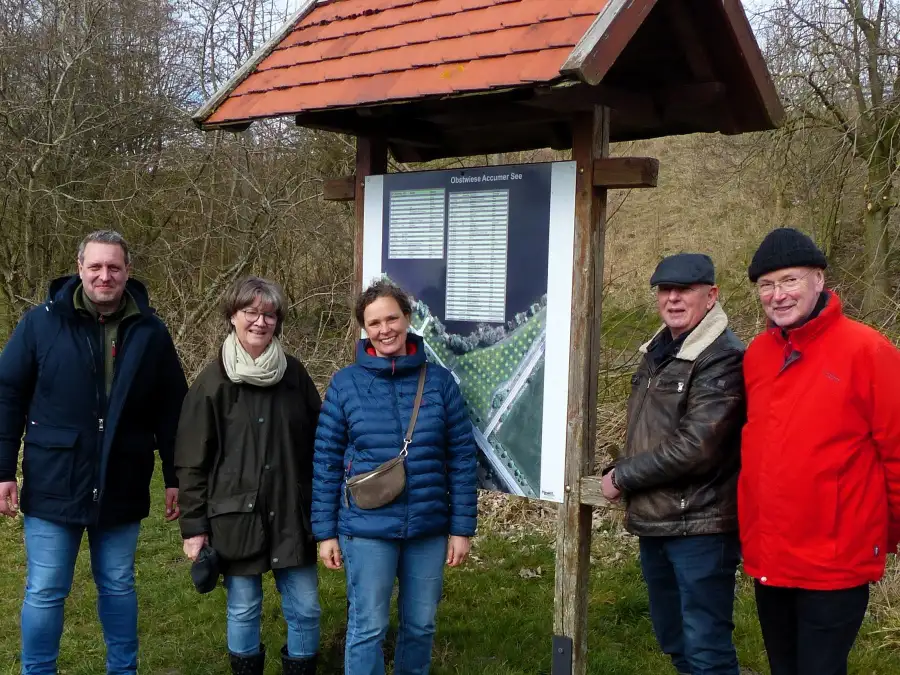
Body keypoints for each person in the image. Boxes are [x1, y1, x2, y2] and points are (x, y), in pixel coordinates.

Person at [0, 230, 187, 675]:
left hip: (123, 478)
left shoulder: (151, 332)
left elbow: (172, 409)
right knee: (46, 588)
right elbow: (7, 395)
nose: (105, 275)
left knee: (118, 584)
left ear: (128, 271)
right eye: (96, 266)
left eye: (114, 267)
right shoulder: (40, 324)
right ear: (80, 268)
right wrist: (3, 469)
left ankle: (123, 670)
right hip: (54, 478)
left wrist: (176, 477)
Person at [739, 227, 900, 675]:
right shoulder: (757, 355)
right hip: (772, 557)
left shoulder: (868, 350)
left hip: (835, 559)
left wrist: (887, 534)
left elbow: (896, 452)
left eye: (789, 280)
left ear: (818, 280)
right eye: (766, 285)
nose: (778, 295)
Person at [312, 279, 477, 675]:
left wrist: (461, 528)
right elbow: (326, 462)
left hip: (427, 527)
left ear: (407, 318)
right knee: (368, 627)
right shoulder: (345, 384)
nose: (385, 329)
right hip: (366, 528)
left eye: (391, 318)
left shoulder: (439, 383)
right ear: (364, 329)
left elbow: (461, 458)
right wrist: (326, 533)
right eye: (374, 322)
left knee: (421, 626)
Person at [600, 253, 746, 675]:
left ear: (711, 295)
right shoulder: (659, 351)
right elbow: (654, 430)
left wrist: (623, 476)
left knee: (706, 648)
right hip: (657, 520)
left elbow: (697, 447)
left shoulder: (722, 357)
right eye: (665, 290)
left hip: (700, 524)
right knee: (675, 640)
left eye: (685, 290)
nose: (673, 299)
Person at [175, 276, 322, 675]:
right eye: (250, 312)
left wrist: (324, 507)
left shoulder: (295, 376)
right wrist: (194, 528)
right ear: (233, 316)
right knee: (243, 608)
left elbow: (320, 443)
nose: (260, 321)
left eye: (269, 314)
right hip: (235, 518)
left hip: (293, 516)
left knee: (306, 608)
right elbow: (191, 462)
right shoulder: (212, 383)